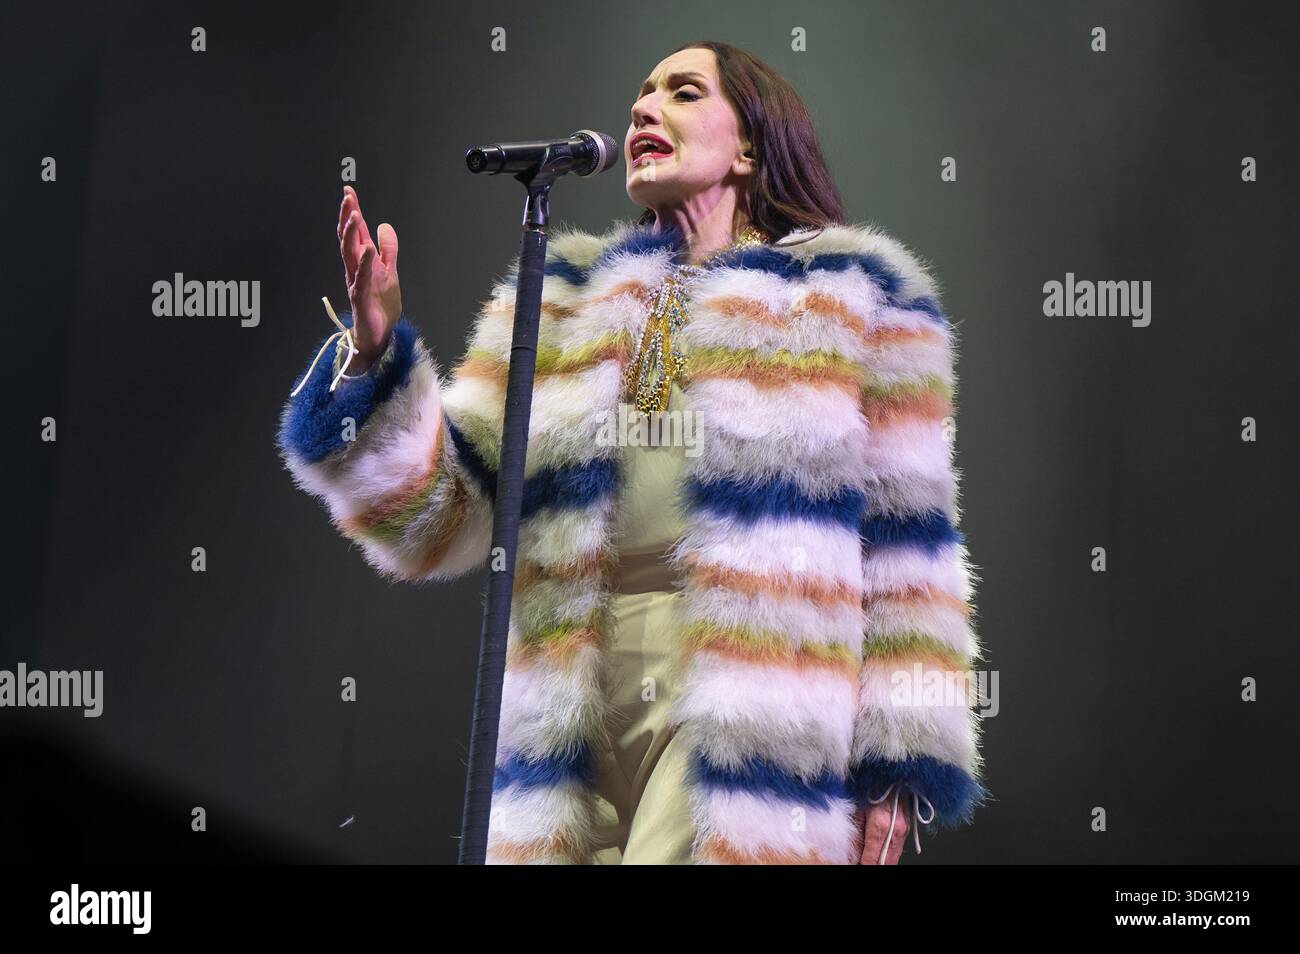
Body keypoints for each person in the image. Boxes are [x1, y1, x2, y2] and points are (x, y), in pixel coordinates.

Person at [278, 39, 988, 864]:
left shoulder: (857, 294)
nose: (645, 110)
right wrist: (372, 359)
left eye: (683, 93)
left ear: (751, 143)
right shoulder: (561, 297)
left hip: (739, 681)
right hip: (569, 692)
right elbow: (438, 516)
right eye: (641, 96)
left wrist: (901, 763)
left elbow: (914, 548)